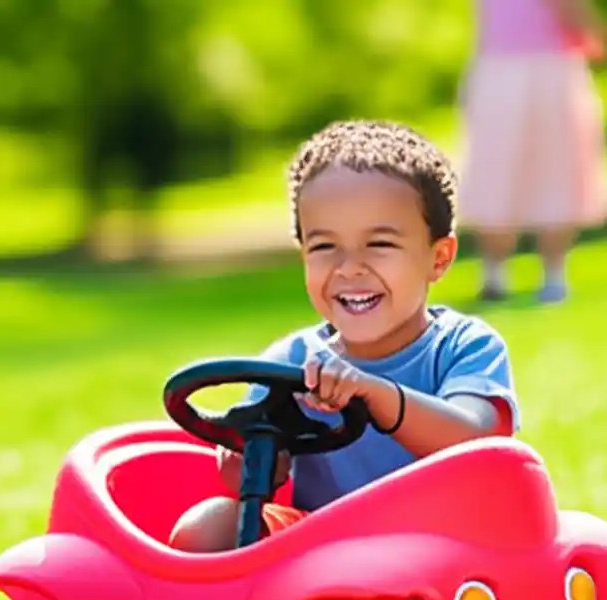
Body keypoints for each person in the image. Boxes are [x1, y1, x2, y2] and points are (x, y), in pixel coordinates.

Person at [170, 120, 520, 552]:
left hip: (444, 549)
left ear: (439, 257)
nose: (349, 267)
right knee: (208, 526)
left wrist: (375, 394)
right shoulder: (292, 360)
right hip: (324, 549)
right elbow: (248, 473)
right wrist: (250, 456)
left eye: (379, 244)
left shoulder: (463, 346)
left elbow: (477, 438)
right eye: (324, 247)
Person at [458, 0, 607, 303]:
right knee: (557, 168)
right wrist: (594, 30)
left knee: (497, 169)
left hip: (497, 66)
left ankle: (494, 273)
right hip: (549, 68)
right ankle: (553, 275)